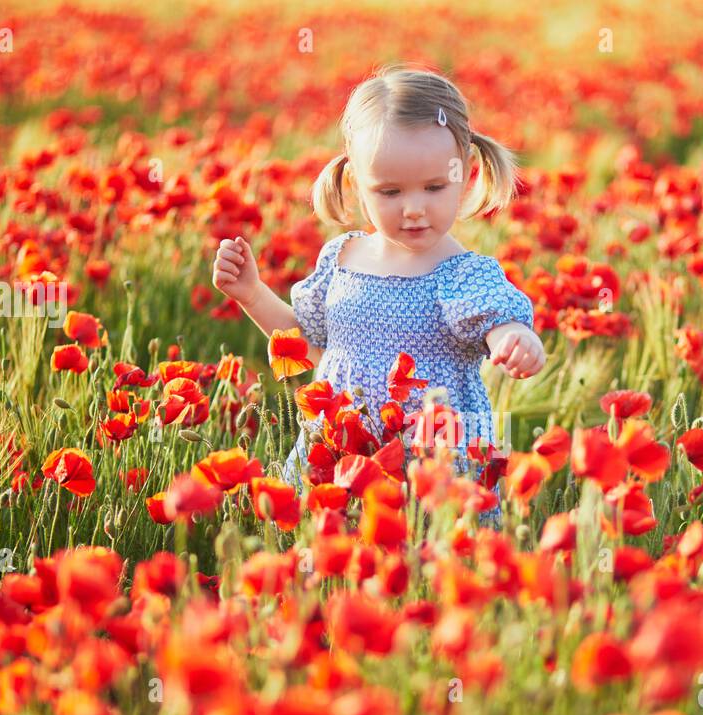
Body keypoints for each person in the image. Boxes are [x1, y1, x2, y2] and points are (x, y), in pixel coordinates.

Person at [211, 66, 547, 530]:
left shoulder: (462, 274)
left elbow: (500, 322)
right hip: (340, 451)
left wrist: (516, 339)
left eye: (434, 187)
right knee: (333, 557)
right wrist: (250, 292)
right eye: (389, 191)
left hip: (429, 461)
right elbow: (308, 345)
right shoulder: (342, 256)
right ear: (355, 181)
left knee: (421, 559)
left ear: (465, 173)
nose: (414, 207)